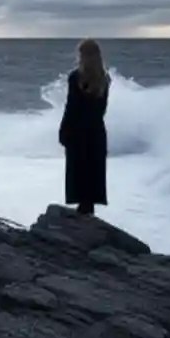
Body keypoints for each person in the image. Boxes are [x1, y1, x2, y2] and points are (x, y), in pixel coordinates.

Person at [58, 38, 110, 215]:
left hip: (78, 132)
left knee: (78, 175)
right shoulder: (104, 79)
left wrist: (64, 130)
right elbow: (102, 109)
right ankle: (88, 215)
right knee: (92, 177)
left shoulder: (76, 77)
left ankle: (82, 220)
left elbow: (71, 107)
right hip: (96, 132)